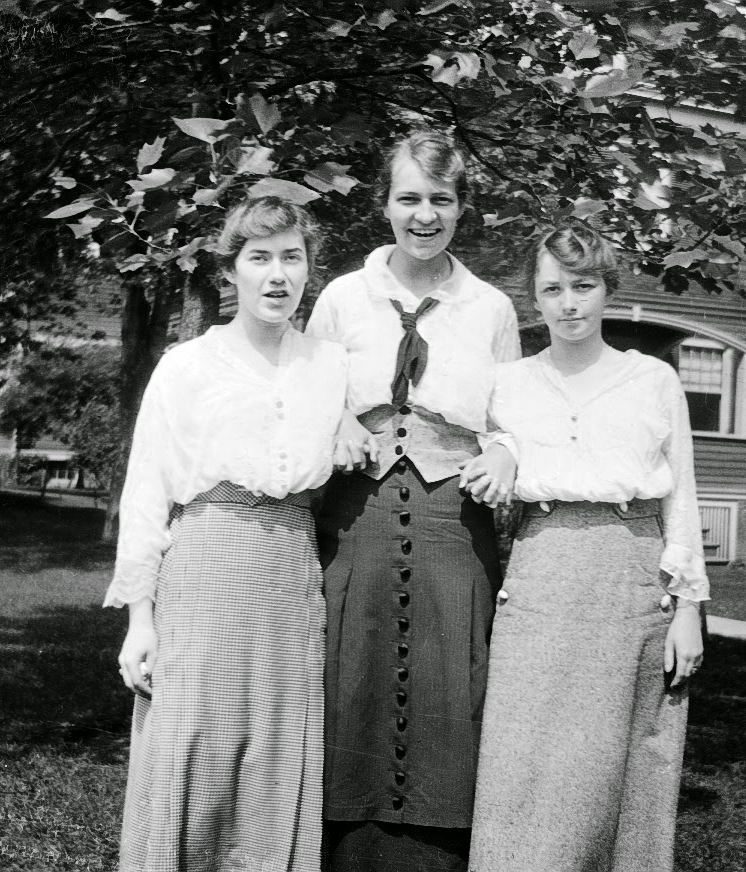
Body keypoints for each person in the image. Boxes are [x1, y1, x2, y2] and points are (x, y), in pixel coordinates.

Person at [106, 196, 348, 872]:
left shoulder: (329, 364)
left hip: (289, 579)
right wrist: (140, 620)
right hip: (207, 571)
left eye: (292, 258)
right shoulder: (188, 366)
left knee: (276, 758)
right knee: (194, 750)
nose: (277, 275)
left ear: (309, 271)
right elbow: (146, 493)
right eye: (259, 258)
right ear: (229, 271)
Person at [305, 129, 520, 871]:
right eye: (409, 198)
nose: (424, 215)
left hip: (450, 525)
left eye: (441, 200)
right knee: (350, 679)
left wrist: (503, 450)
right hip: (355, 519)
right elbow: (301, 390)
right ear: (385, 204)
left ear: (461, 208)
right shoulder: (342, 298)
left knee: (447, 684)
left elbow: (513, 418)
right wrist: (334, 416)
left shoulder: (491, 309)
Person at [468, 219, 708, 872]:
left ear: (607, 289)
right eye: (552, 289)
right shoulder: (508, 383)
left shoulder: (651, 379)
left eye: (583, 286)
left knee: (619, 772)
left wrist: (688, 607)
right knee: (522, 768)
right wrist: (500, 451)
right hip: (541, 576)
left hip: (628, 580)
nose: (568, 304)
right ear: (534, 298)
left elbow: (681, 495)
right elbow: (490, 449)